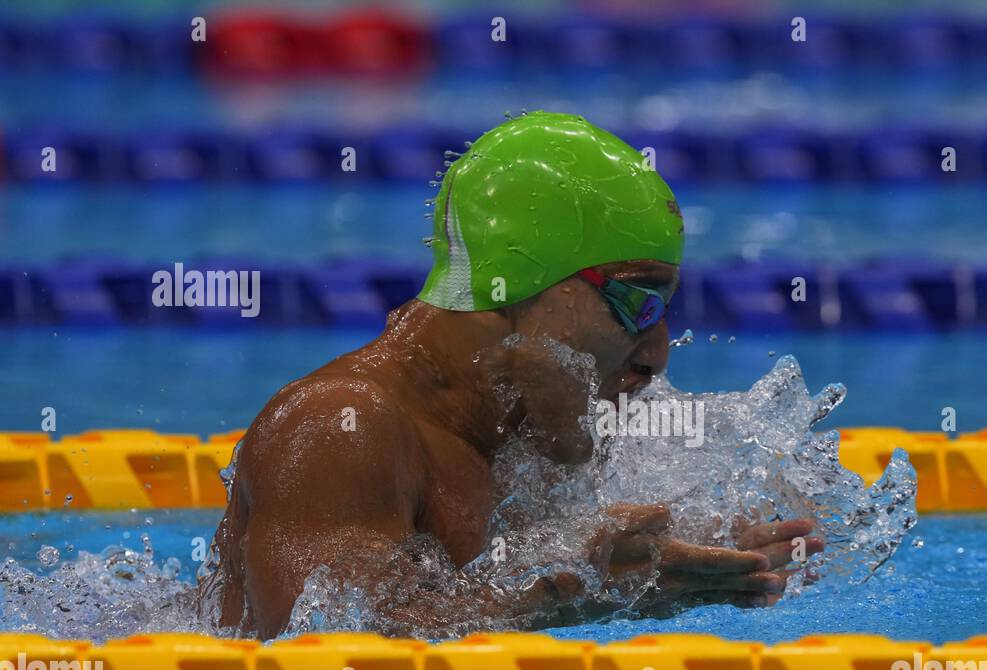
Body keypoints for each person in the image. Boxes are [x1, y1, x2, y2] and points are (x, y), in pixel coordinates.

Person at [209, 112, 822, 640]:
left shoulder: (526, 433)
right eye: (638, 303)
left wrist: (698, 558)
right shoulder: (340, 429)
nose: (656, 355)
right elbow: (323, 661)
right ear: (515, 290)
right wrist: (574, 594)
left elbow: (513, 588)